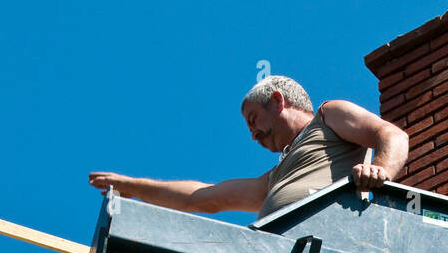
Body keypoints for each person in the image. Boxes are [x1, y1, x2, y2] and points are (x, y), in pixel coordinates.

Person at [88, 75, 409, 219]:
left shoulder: (328, 116)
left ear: (277, 101)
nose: (253, 134)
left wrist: (380, 170)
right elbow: (205, 197)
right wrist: (132, 187)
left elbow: (392, 135)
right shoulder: (276, 178)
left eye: (253, 119)